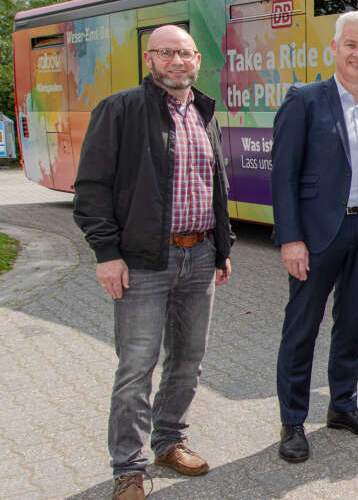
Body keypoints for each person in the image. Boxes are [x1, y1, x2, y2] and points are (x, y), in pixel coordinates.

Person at [73, 25, 234, 500]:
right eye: (167, 53)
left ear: (198, 61)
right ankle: (129, 465)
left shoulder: (205, 113)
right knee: (137, 367)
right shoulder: (120, 110)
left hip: (200, 254)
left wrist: (222, 249)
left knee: (188, 360)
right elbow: (93, 188)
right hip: (143, 260)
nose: (177, 62)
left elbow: (216, 187)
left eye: (185, 53)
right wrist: (107, 254)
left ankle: (169, 442)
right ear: (150, 59)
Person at [271, 11, 358, 463]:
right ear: (334, 48)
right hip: (316, 236)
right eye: (351, 44)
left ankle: (342, 406)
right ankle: (293, 421)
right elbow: (284, 176)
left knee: (351, 325)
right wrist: (290, 239)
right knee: (302, 327)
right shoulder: (305, 100)